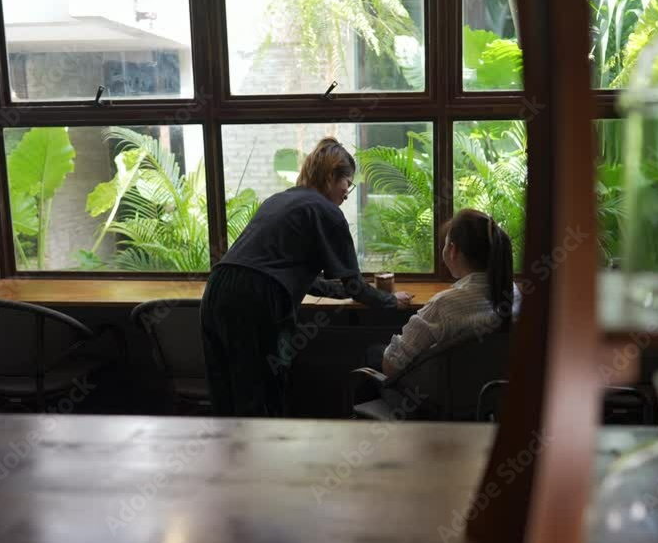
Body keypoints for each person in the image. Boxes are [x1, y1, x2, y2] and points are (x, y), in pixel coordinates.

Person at [201, 137, 413, 417]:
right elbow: (355, 285)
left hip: (216, 289)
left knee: (226, 391)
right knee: (264, 389)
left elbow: (294, 273)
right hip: (258, 298)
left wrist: (341, 291)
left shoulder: (280, 200)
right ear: (329, 176)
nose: (347, 192)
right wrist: (389, 300)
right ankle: (268, 455)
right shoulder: (327, 212)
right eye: (347, 183)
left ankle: (231, 457)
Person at [376, 209, 521, 377]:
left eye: (445, 243)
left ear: (452, 250)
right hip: (491, 394)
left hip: (436, 397)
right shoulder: (514, 293)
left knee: (374, 353)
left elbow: (392, 366)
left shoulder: (444, 305)